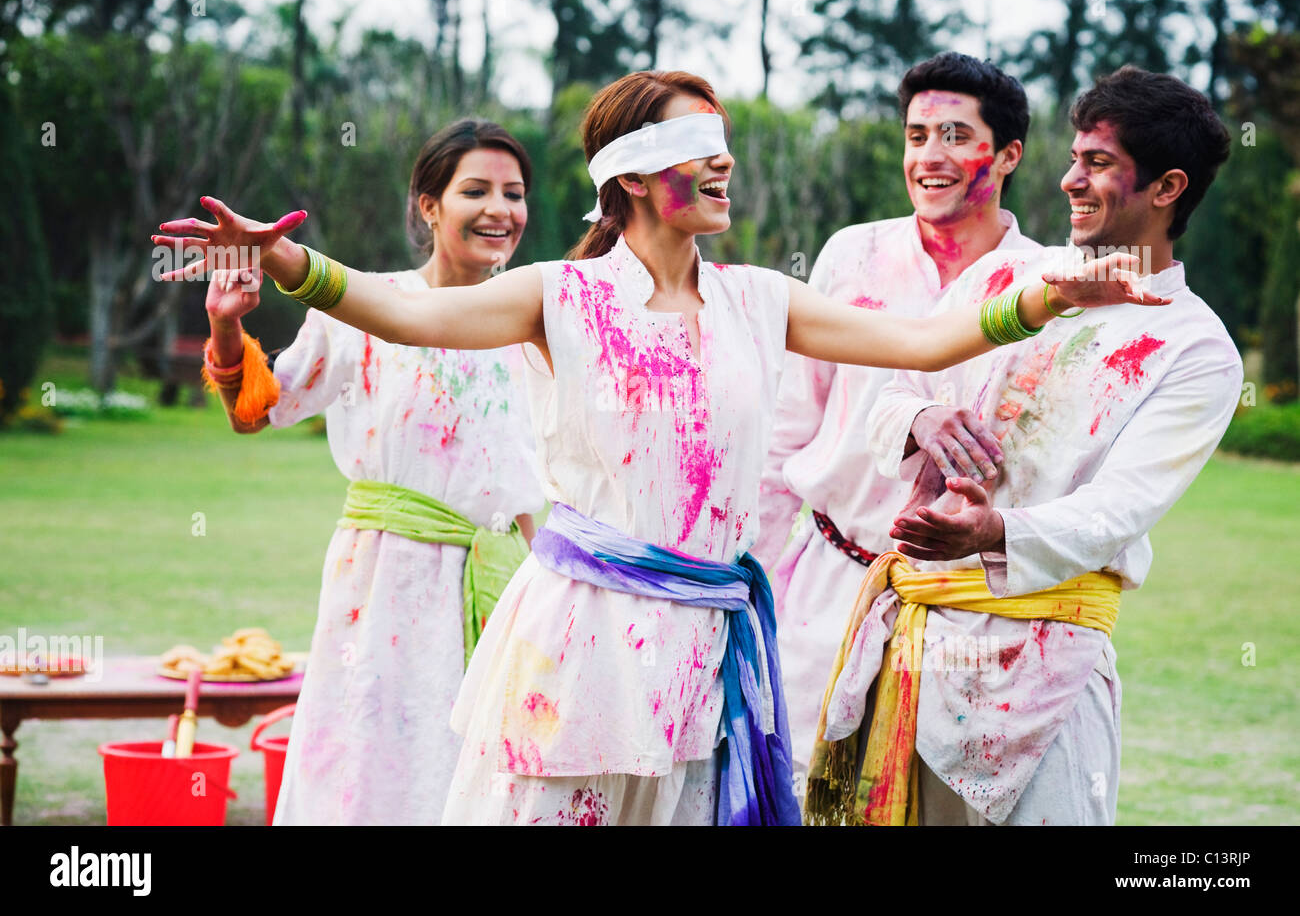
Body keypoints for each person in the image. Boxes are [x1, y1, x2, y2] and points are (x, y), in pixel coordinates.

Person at [154, 70, 1163, 826]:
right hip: (580, 634)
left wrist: (1043, 294)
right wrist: (287, 258)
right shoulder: (563, 293)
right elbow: (402, 314)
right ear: (628, 175)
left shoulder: (756, 300)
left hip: (705, 642)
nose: (723, 162)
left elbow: (919, 340)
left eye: (723, 142)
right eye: (696, 144)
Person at [805, 66, 1241, 826]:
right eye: (1075, 158)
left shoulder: (1198, 349)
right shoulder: (1011, 276)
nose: (1071, 179)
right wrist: (919, 420)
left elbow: (1117, 511)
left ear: (1167, 187)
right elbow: (892, 393)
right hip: (914, 654)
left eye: (1099, 163)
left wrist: (991, 531)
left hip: (1048, 674)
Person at [197, 119, 545, 825]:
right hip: (386, 584)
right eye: (475, 189)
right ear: (428, 205)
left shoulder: (537, 323)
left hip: (506, 590)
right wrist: (228, 328)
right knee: (371, 768)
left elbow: (535, 478)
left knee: (486, 779)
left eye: (514, 192)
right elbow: (257, 409)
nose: (499, 209)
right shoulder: (363, 303)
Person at [754, 53, 1042, 776]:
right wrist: (747, 587)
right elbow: (785, 429)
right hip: (828, 583)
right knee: (798, 795)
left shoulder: (1043, 286)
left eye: (954, 134)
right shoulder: (852, 255)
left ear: (1007, 154)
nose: (929, 156)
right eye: (916, 136)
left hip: (968, 610)